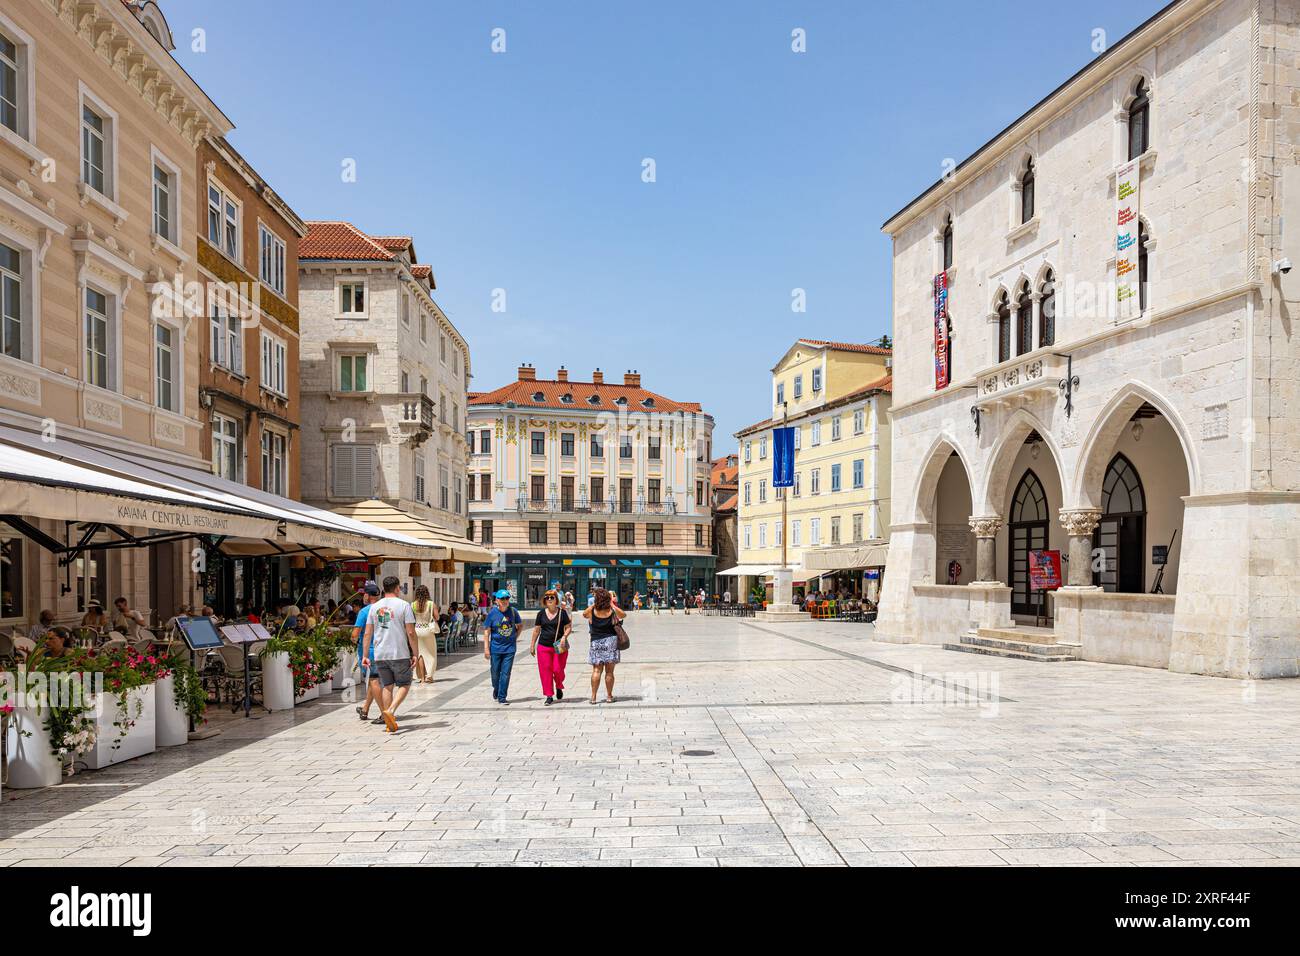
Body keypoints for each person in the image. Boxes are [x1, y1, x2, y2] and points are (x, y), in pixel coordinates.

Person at [361, 575, 417, 733]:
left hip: (380, 653)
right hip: (399, 652)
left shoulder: (374, 607)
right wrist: (415, 653)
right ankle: (390, 711)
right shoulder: (404, 605)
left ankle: (388, 723)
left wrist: (365, 655)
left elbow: (367, 634)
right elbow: (411, 632)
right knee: (405, 684)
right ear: (398, 588)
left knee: (387, 686)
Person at [529, 589, 572, 706]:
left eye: (552, 597)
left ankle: (559, 685)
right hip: (543, 647)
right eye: (547, 598)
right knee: (545, 671)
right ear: (544, 600)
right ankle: (549, 695)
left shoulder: (562, 613)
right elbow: (537, 630)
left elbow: (568, 627)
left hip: (559, 646)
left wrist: (564, 636)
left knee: (558, 670)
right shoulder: (541, 614)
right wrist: (532, 645)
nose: (549, 599)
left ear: (556, 600)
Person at [583, 587, 625, 704]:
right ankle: (609, 696)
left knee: (596, 670)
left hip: (596, 642)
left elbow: (584, 614)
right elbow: (623, 615)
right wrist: (612, 605)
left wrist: (593, 605)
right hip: (611, 641)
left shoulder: (592, 611)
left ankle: (593, 697)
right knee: (609, 672)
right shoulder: (611, 611)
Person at [481, 588, 522, 705]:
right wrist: (486, 649)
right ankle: (496, 688)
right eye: (502, 598)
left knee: (506, 673)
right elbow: (486, 632)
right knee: (495, 672)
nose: (505, 601)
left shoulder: (513, 612)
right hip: (495, 649)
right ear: (497, 600)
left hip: (510, 649)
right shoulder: (492, 613)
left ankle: (502, 697)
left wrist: (515, 637)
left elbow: (520, 625)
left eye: (507, 598)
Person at [352, 582, 382, 724]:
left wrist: (353, 639)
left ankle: (384, 712)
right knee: (373, 681)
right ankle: (365, 710)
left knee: (373, 681)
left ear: (367, 595)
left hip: (368, 652)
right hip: (383, 649)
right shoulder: (383, 610)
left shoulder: (364, 612)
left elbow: (355, 634)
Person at [412, 585, 438, 684]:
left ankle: (422, 678)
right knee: (431, 654)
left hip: (417, 630)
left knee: (420, 655)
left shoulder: (413, 605)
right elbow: (437, 617)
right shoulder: (431, 604)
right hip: (428, 630)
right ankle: (429, 676)